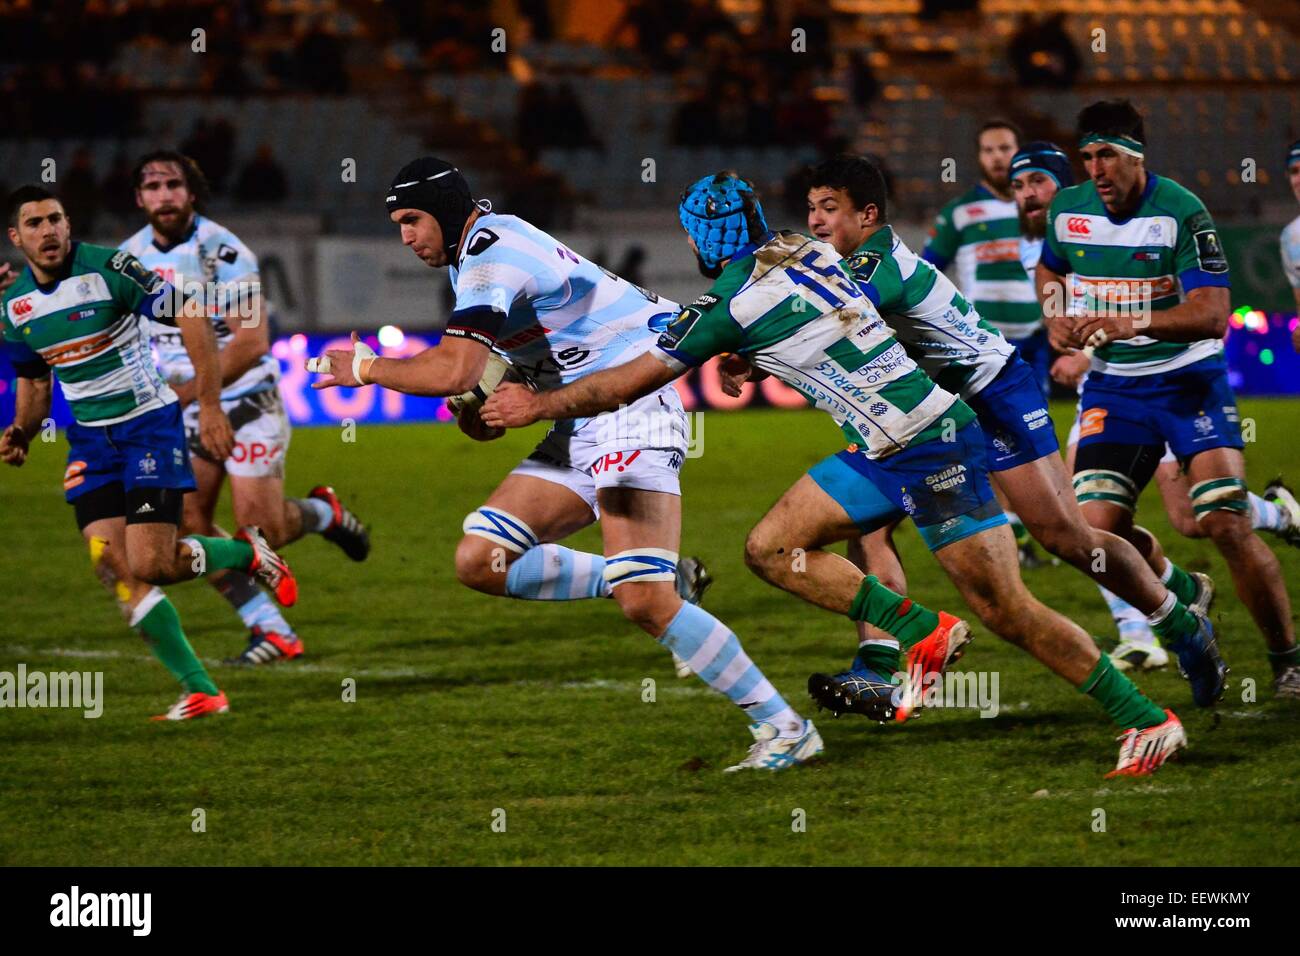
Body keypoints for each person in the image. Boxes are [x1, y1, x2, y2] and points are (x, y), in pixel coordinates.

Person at [483, 171, 1192, 778]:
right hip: (891, 442)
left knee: (1006, 609)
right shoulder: (805, 248)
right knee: (771, 547)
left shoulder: (726, 308)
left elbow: (620, 386)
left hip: (930, 446)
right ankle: (919, 628)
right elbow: (817, 315)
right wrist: (750, 354)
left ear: (699, 239)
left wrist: (535, 405)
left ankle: (1145, 719)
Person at [307, 157, 818, 772]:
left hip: (632, 405)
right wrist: (484, 409)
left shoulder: (493, 253)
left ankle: (785, 727)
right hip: (578, 416)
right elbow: (505, 372)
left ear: (444, 210)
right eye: (399, 225)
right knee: (481, 560)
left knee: (643, 602)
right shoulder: (477, 256)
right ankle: (665, 581)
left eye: (412, 219)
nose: (406, 236)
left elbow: (456, 369)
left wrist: (365, 368)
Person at [789, 152, 1216, 712]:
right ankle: (876, 665)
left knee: (1066, 538)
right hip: (928, 412)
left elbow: (828, 316)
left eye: (828, 207)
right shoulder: (843, 265)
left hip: (993, 395)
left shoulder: (875, 263)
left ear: (868, 214)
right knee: (868, 526)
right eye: (811, 208)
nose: (815, 220)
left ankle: (1178, 622)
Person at [0, 186, 297, 720]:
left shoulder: (109, 269)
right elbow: (36, 384)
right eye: (35, 223)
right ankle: (202, 690)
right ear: (15, 238)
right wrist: (22, 429)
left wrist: (209, 404)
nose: (48, 231)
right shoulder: (14, 305)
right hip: (91, 443)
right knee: (112, 565)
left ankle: (245, 554)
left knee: (153, 564)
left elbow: (191, 315)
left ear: (68, 225)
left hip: (147, 430)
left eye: (55, 219)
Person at [1038, 99, 1298, 698]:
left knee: (1223, 521)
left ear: (1137, 156)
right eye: (1087, 157)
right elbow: (1051, 269)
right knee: (1094, 534)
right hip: (1114, 388)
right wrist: (1055, 315)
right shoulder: (1068, 209)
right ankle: (1183, 596)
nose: (1096, 169)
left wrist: (1130, 322)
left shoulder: (1182, 210)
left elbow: (1213, 315)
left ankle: (1288, 661)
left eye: (1108, 155)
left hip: (1187, 382)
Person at [121, 150, 370, 665]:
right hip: (185, 407)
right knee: (190, 526)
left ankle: (323, 513)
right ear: (139, 198)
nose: (164, 196)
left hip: (246, 399)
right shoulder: (128, 258)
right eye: (152, 187)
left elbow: (252, 341)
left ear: (192, 193)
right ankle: (271, 629)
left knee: (263, 532)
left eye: (173, 185)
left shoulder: (225, 252)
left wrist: (190, 394)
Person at [923, 119, 1049, 564]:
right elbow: (926, 270)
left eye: (1005, 148)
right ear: (979, 157)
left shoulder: (1038, 209)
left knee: (1032, 439)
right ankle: (1016, 531)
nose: (998, 157)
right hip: (979, 348)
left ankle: (1033, 526)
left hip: (1033, 341)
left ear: (1018, 151)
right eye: (989, 149)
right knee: (991, 438)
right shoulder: (961, 213)